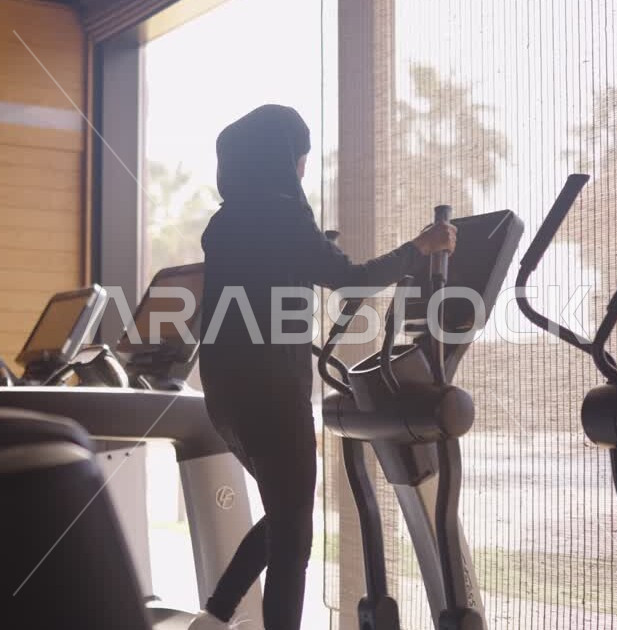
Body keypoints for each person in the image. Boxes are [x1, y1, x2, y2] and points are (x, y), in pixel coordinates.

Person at [192, 104, 456, 630]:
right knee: (293, 535)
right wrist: (421, 248)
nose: (303, 168)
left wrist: (314, 256)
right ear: (281, 158)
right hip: (271, 390)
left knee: (284, 512)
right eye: (301, 157)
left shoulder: (225, 222)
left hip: (225, 394)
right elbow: (353, 280)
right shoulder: (282, 212)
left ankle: (215, 615)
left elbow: (267, 283)